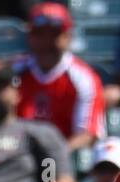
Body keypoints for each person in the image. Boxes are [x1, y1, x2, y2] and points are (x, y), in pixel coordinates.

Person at [14, 3, 105, 151]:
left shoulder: (84, 78)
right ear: (30, 37)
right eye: (40, 34)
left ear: (68, 37)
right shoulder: (14, 72)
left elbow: (87, 135)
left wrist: (53, 157)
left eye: (54, 34)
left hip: (64, 161)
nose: (46, 42)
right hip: (17, 157)